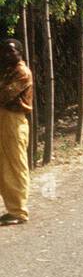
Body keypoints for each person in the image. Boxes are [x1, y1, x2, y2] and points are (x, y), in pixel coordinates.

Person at [0, 39, 32, 226]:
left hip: (14, 120)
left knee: (15, 165)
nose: (7, 55)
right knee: (5, 165)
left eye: (11, 51)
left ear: (20, 52)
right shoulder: (7, 71)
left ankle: (19, 211)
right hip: (4, 118)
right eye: (4, 51)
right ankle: (12, 209)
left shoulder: (22, 72)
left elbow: (5, 94)